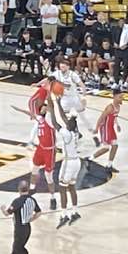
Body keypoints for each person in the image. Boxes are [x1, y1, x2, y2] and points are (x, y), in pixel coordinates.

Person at [0, 180, 41, 254]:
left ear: (18, 189)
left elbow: (7, 213)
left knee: (20, 251)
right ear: (28, 189)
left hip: (19, 229)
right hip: (27, 228)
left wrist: (3, 208)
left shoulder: (17, 201)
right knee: (16, 249)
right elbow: (39, 212)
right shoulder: (32, 200)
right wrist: (31, 219)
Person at [54, 98, 82, 229]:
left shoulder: (66, 133)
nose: (66, 122)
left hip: (69, 162)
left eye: (68, 122)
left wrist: (51, 110)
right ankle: (75, 212)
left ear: (70, 125)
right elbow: (64, 118)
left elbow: (55, 123)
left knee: (62, 188)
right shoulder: (75, 131)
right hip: (77, 162)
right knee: (72, 187)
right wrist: (59, 103)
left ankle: (63, 215)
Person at [28, 97, 57, 210]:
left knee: (48, 176)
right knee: (34, 169)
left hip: (49, 150)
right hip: (41, 148)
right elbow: (33, 112)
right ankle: (32, 188)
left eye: (46, 108)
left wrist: (48, 94)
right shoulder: (39, 119)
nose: (44, 109)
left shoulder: (50, 121)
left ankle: (53, 198)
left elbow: (51, 108)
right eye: (42, 108)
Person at [91, 94, 123, 175]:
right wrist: (96, 128)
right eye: (120, 97)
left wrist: (117, 125)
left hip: (110, 128)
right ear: (114, 97)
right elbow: (101, 117)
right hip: (105, 128)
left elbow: (115, 117)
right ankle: (90, 158)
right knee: (106, 148)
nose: (121, 99)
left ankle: (109, 165)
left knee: (115, 146)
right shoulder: (110, 107)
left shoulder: (118, 107)